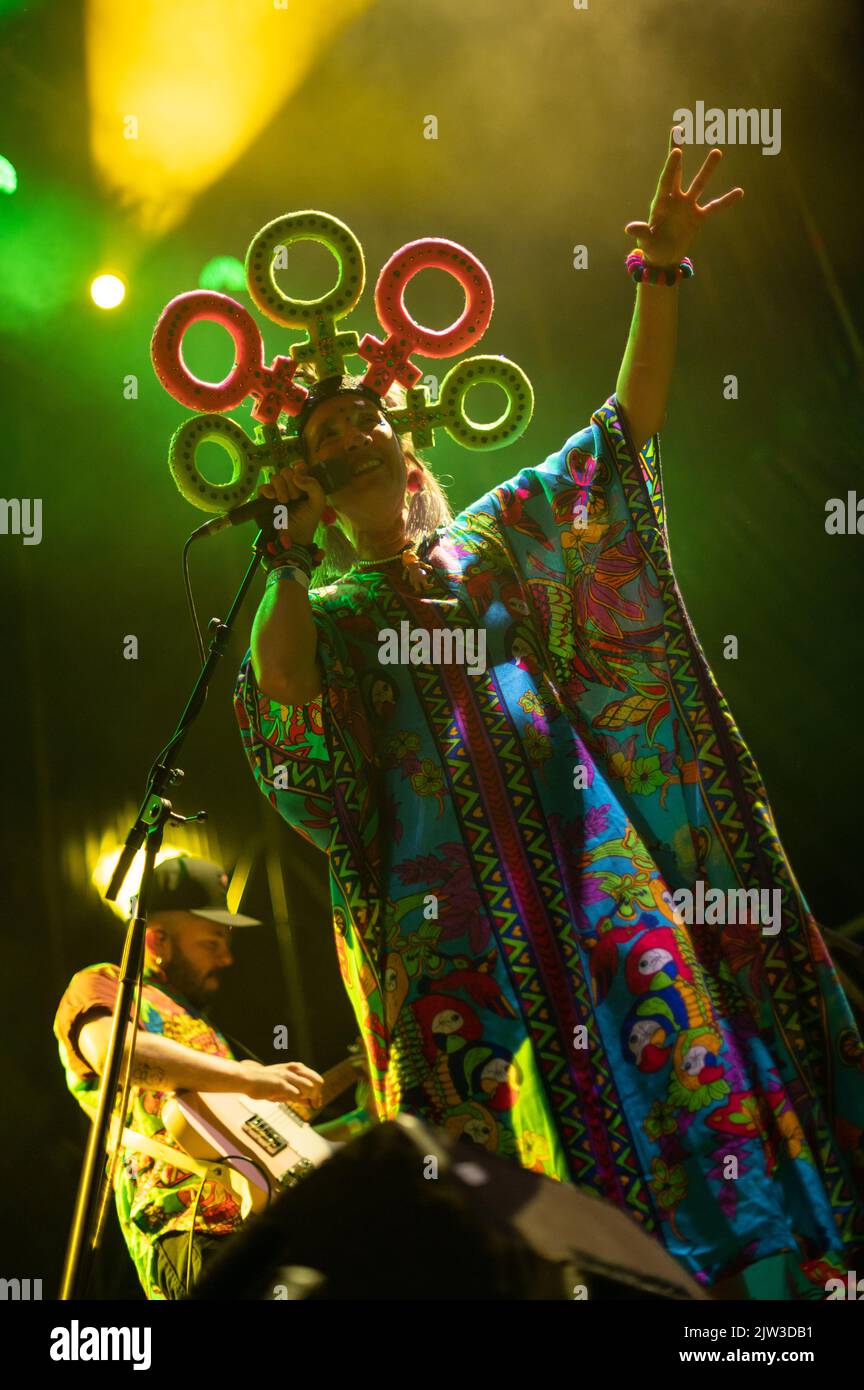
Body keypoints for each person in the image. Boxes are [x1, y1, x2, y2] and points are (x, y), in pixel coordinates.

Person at [234, 130, 864, 1300]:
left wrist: (660, 271)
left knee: (680, 1084)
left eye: (361, 419)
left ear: (403, 433)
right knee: (482, 1168)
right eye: (320, 440)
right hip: (442, 928)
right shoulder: (318, 602)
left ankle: (753, 1300)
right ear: (305, 476)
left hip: (592, 868)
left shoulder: (497, 537)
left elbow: (625, 430)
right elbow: (282, 693)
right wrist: (284, 553)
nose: (346, 438)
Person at [54, 853, 332, 1300]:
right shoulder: (103, 984)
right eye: (211, 942)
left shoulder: (205, 1029)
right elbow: (114, 1053)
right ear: (157, 940)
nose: (226, 958)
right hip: (187, 1229)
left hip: (262, 1225)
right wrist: (248, 1080)